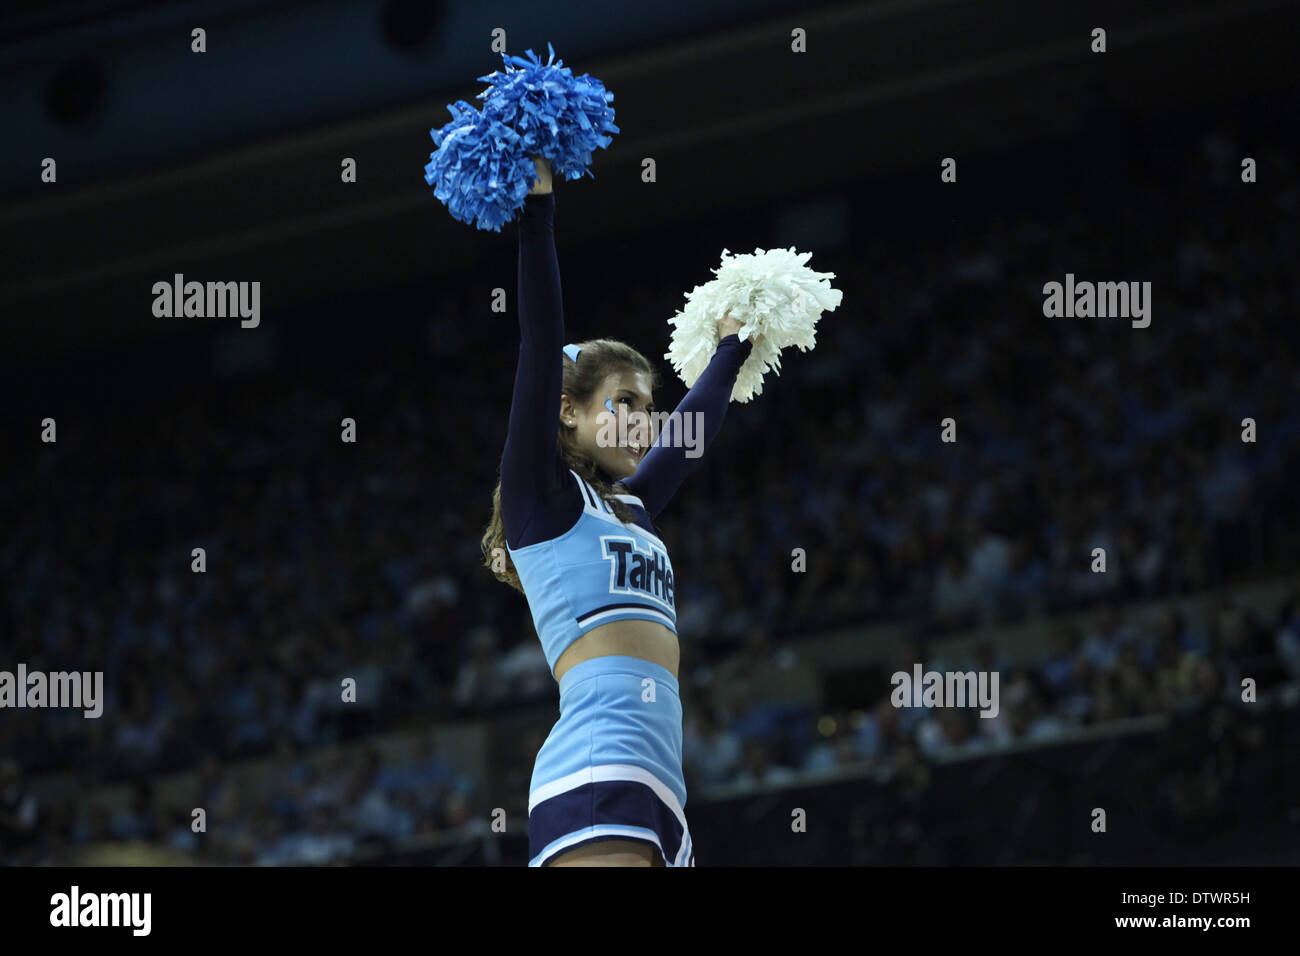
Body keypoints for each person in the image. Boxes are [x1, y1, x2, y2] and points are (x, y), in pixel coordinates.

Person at [481, 157, 756, 866]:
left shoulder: (631, 507)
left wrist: (733, 344)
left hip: (665, 778)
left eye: (649, 404)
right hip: (599, 764)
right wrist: (537, 213)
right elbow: (541, 344)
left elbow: (695, 432)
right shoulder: (542, 497)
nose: (646, 420)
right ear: (566, 413)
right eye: (624, 404)